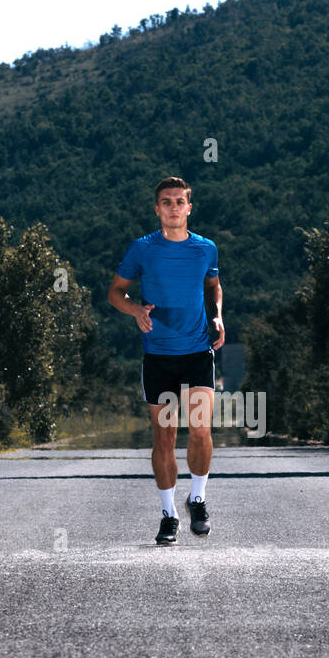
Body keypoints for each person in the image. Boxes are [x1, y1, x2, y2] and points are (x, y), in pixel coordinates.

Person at [106, 177, 225, 545]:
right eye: (166, 201)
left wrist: (217, 314)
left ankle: (198, 498)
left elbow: (213, 286)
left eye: (179, 201)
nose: (173, 207)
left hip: (197, 351)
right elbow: (115, 292)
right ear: (157, 209)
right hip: (158, 355)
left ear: (189, 208)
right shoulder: (142, 249)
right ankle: (169, 514)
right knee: (165, 438)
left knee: (201, 430)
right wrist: (135, 310)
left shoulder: (206, 249)